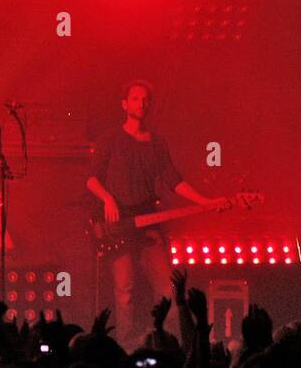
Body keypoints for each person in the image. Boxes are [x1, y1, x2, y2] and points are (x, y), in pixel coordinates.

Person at [86, 79, 224, 351]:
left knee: (168, 288)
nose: (141, 103)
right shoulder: (110, 138)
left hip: (148, 222)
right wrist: (108, 199)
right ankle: (124, 349)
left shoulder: (157, 142)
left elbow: (174, 180)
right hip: (119, 225)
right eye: (135, 98)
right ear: (124, 104)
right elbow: (91, 179)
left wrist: (206, 202)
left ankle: (177, 346)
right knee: (124, 291)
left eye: (145, 99)